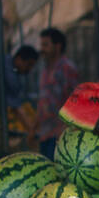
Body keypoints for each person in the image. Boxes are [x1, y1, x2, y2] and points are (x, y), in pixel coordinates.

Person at [34, 27, 78, 158]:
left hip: (60, 134)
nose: (42, 49)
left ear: (57, 46)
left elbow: (75, 101)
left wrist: (65, 127)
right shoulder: (44, 69)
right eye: (42, 45)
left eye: (46, 45)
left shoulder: (67, 69)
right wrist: (33, 128)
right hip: (44, 133)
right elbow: (42, 101)